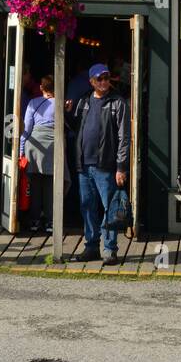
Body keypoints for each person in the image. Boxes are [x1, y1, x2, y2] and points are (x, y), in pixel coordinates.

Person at [72, 63, 130, 264]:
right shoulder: (84, 101)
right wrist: (68, 111)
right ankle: (91, 246)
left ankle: (110, 249)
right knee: (87, 206)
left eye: (106, 78)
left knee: (109, 208)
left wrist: (121, 166)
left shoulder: (117, 103)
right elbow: (75, 127)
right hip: (84, 164)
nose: (104, 82)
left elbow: (124, 137)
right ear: (92, 81)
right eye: (100, 79)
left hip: (106, 165)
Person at [20, 75, 70, 233]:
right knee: (51, 185)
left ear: (41, 88)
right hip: (53, 145)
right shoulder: (61, 103)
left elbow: (26, 129)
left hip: (34, 146)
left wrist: (21, 150)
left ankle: (34, 220)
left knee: (34, 184)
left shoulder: (33, 103)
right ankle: (50, 221)